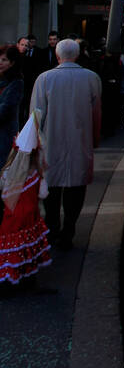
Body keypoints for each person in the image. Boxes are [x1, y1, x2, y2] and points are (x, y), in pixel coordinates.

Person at [30, 38, 101, 250]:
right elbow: (96, 113)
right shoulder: (91, 78)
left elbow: (36, 115)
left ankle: (52, 228)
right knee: (76, 186)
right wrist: (95, 138)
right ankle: (69, 230)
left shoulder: (44, 78)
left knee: (51, 187)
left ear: (57, 55)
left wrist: (33, 144)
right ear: (77, 55)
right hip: (81, 140)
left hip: (51, 141)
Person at [0, 109, 51, 290]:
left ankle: (9, 281)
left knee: (12, 251)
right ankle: (28, 279)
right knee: (30, 249)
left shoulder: (8, 173)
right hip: (30, 219)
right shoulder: (36, 175)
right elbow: (43, 194)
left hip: (11, 221)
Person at [0, 45, 24, 168]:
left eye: (4, 60)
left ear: (12, 63)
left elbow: (6, 109)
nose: (0, 62)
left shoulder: (16, 82)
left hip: (5, 134)